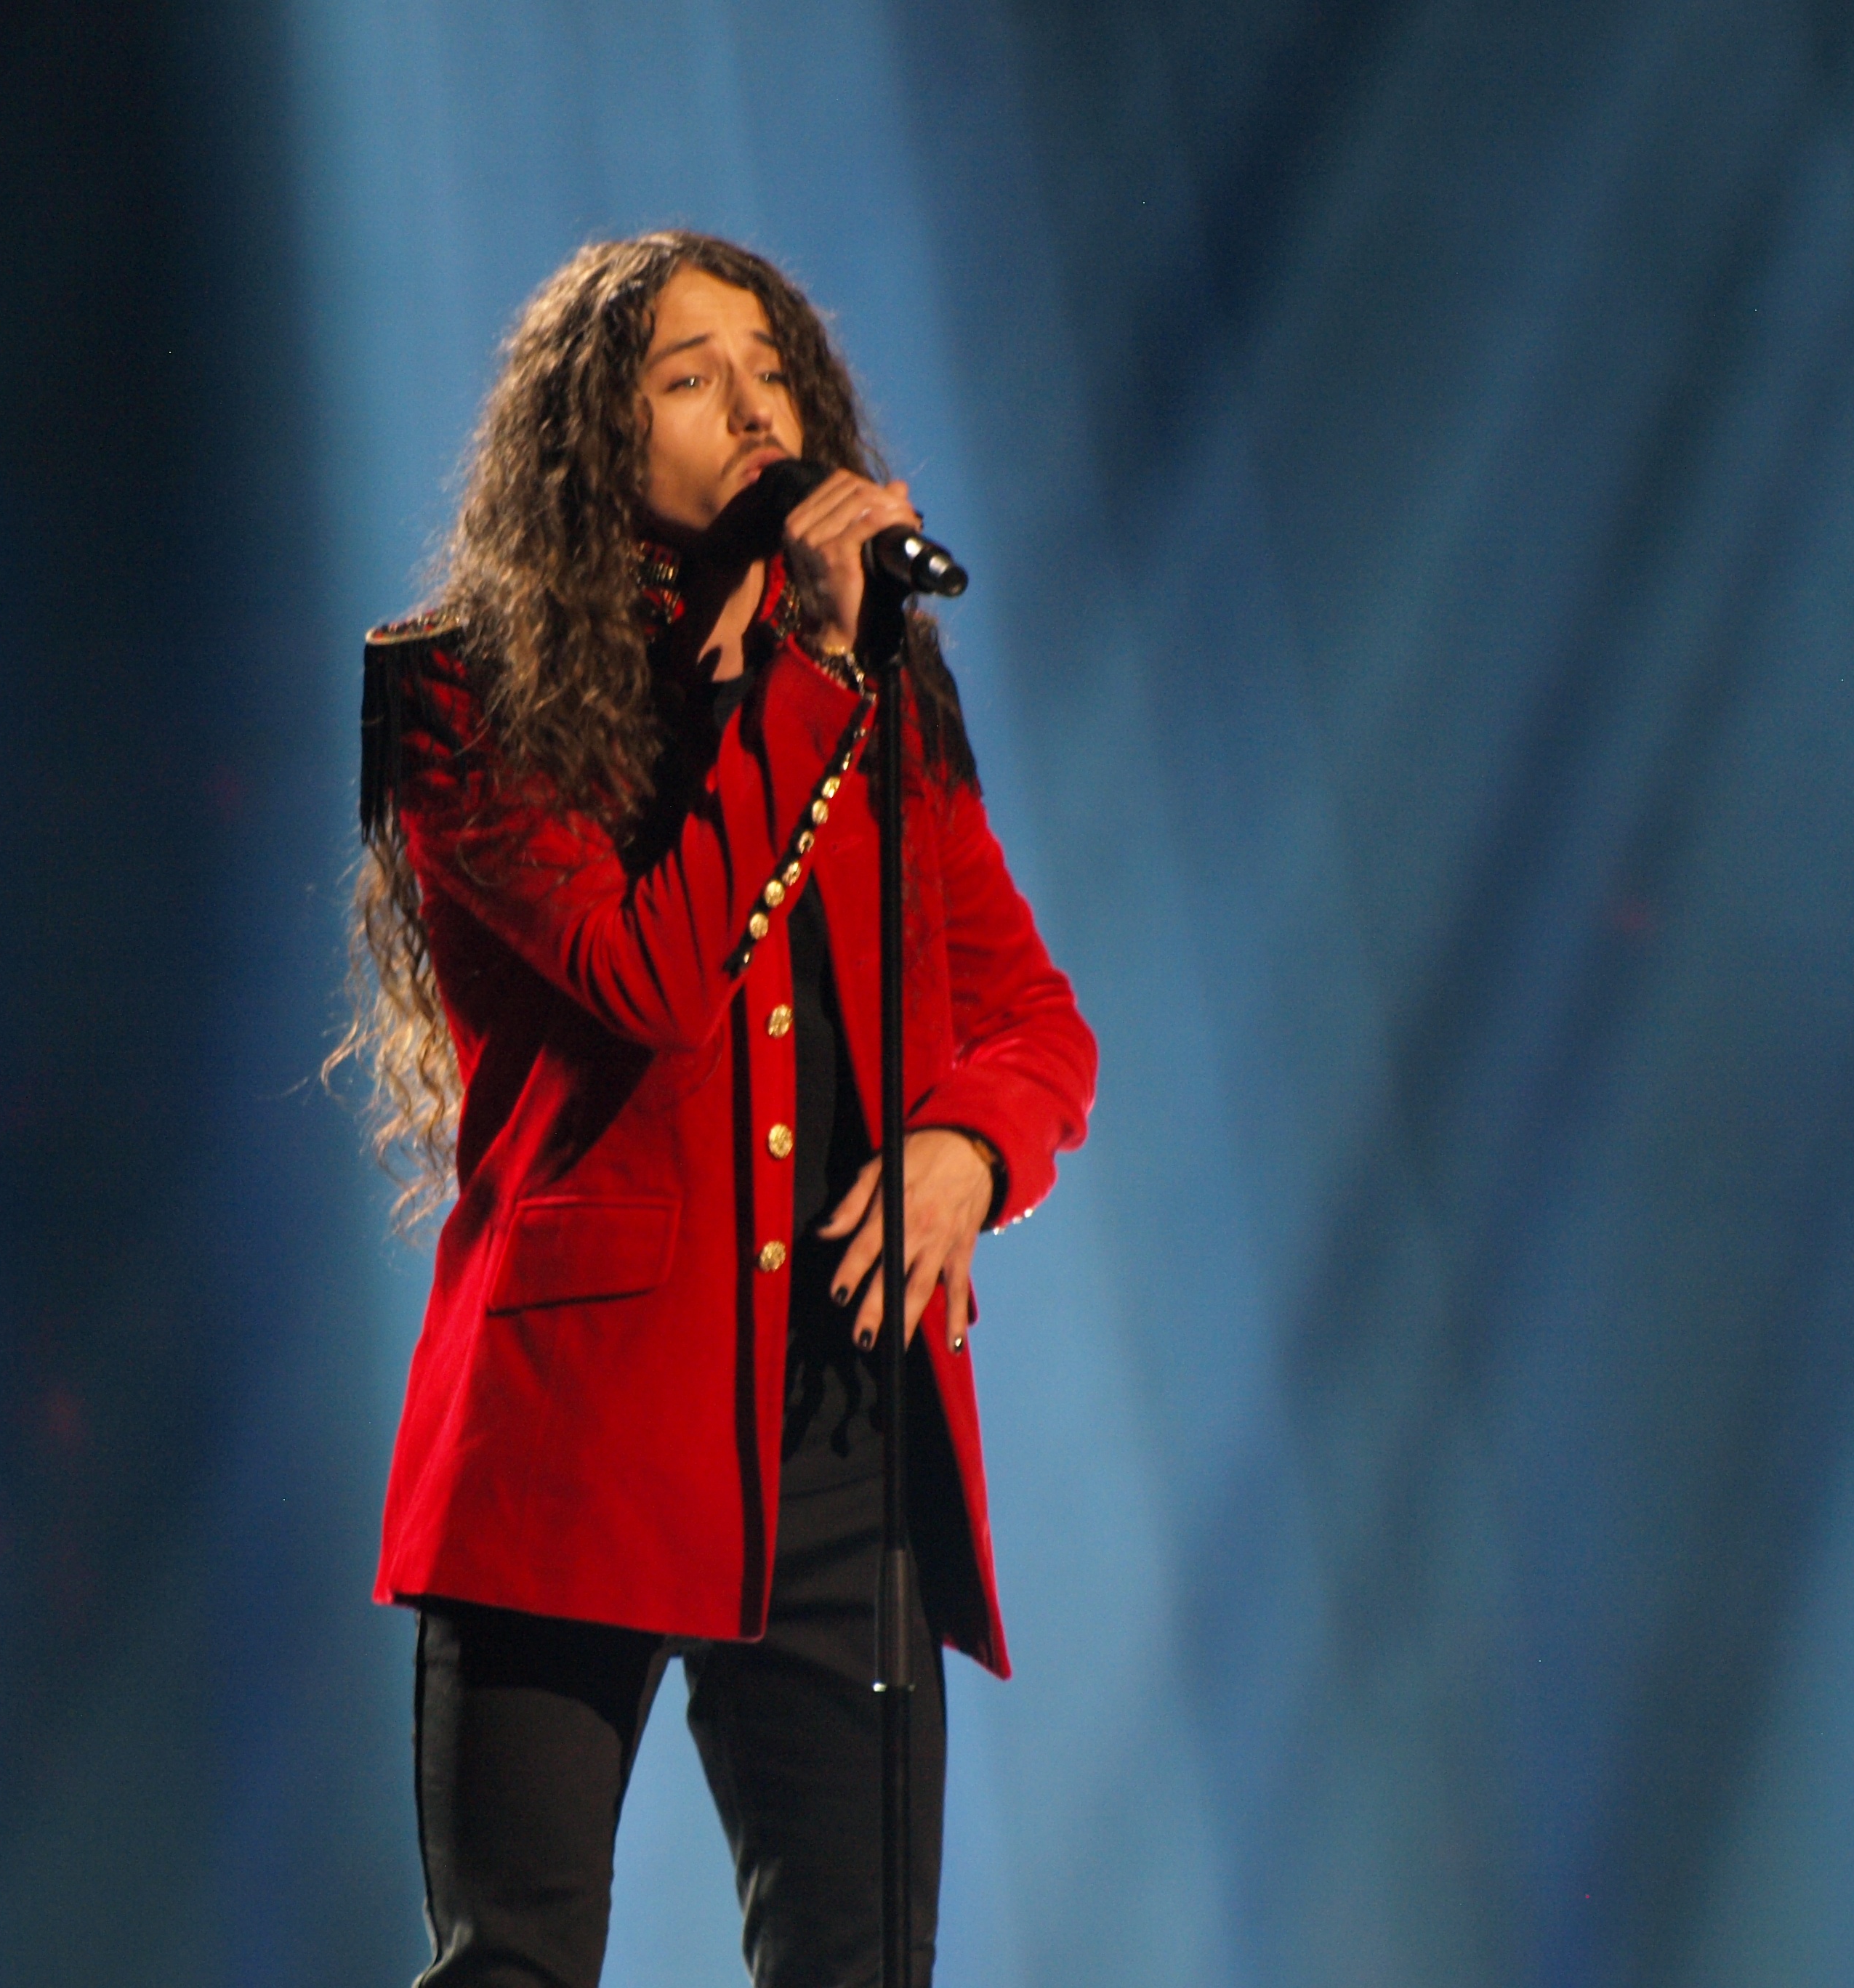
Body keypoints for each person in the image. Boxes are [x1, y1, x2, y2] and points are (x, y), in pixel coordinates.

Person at [340, 231, 1095, 1988]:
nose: (755, 407)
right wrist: (808, 681)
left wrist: (966, 1148)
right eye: (692, 378)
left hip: (842, 1425)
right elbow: (647, 980)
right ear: (596, 439)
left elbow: (1032, 1014)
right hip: (573, 1419)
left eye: (772, 371)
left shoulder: (883, 692)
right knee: (514, 1960)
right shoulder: (469, 696)